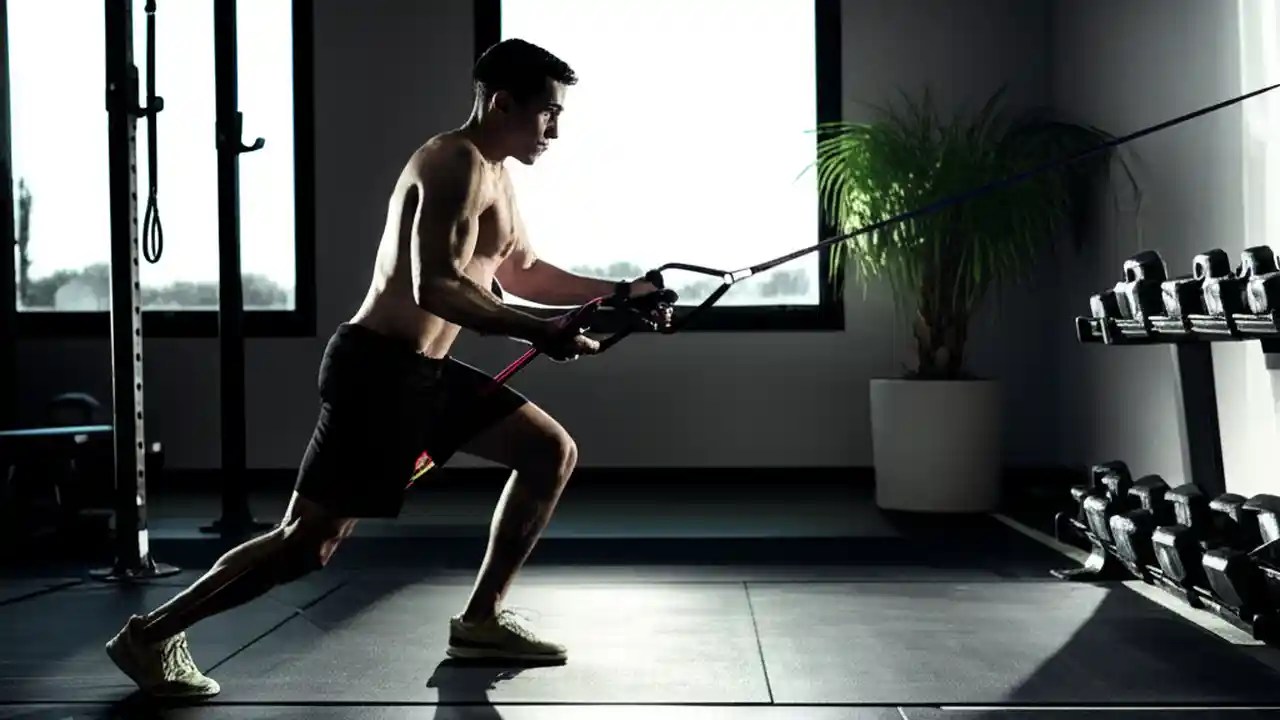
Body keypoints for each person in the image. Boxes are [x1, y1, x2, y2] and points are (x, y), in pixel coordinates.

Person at [105, 38, 669, 699]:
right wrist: (536, 330)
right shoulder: (453, 161)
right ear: (502, 103)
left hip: (423, 374)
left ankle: (481, 620)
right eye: (547, 112)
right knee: (307, 545)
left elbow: (519, 271)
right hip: (378, 375)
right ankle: (153, 634)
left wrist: (619, 294)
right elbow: (438, 287)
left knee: (549, 451)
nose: (556, 129)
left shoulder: (497, 172)